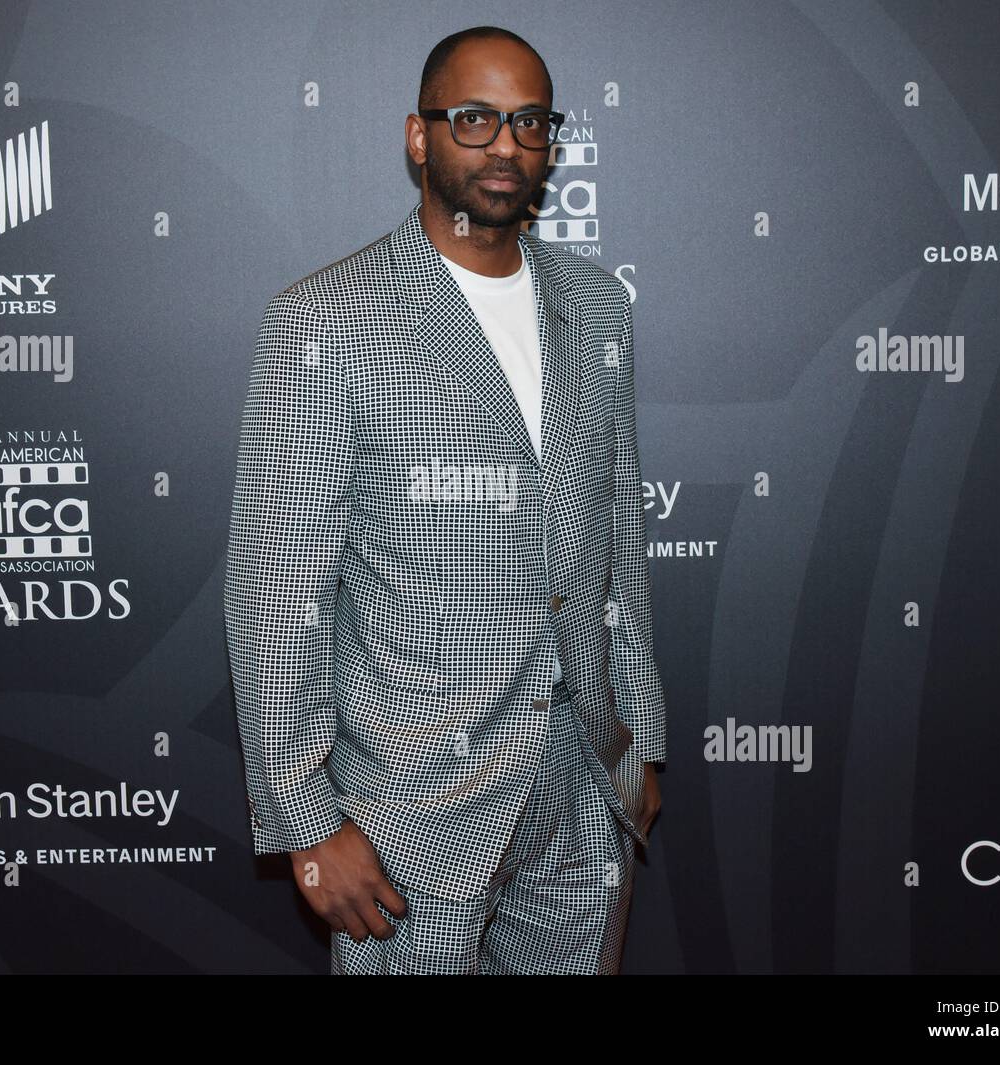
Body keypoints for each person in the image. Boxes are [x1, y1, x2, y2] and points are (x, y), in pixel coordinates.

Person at [223, 25, 666, 975]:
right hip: (408, 806)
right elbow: (278, 589)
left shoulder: (597, 306)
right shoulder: (326, 319)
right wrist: (307, 825)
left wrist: (643, 741)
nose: (504, 145)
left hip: (585, 787)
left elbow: (619, 531)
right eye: (474, 119)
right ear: (419, 137)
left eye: (529, 122)